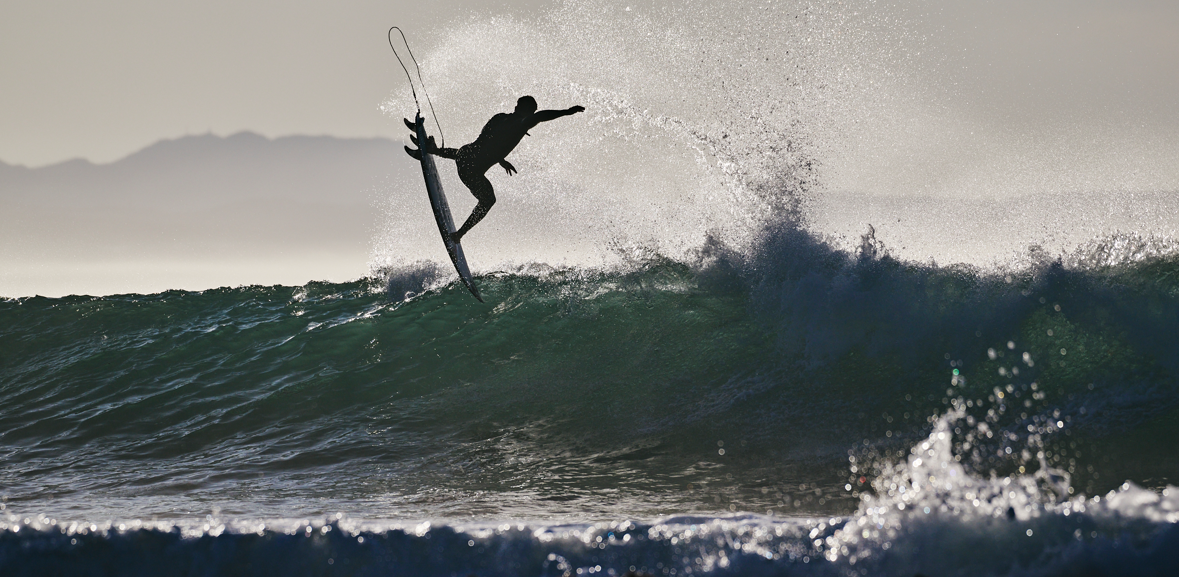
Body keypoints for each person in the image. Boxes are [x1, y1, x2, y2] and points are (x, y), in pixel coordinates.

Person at [405, 96, 584, 243]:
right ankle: (458, 235)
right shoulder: (522, 123)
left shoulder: (499, 117)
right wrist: (568, 111)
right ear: (530, 112)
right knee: (488, 201)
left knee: (467, 154)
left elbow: (485, 143)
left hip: (465, 154)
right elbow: (542, 116)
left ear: (516, 106)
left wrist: (500, 159)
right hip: (472, 170)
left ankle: (432, 149)